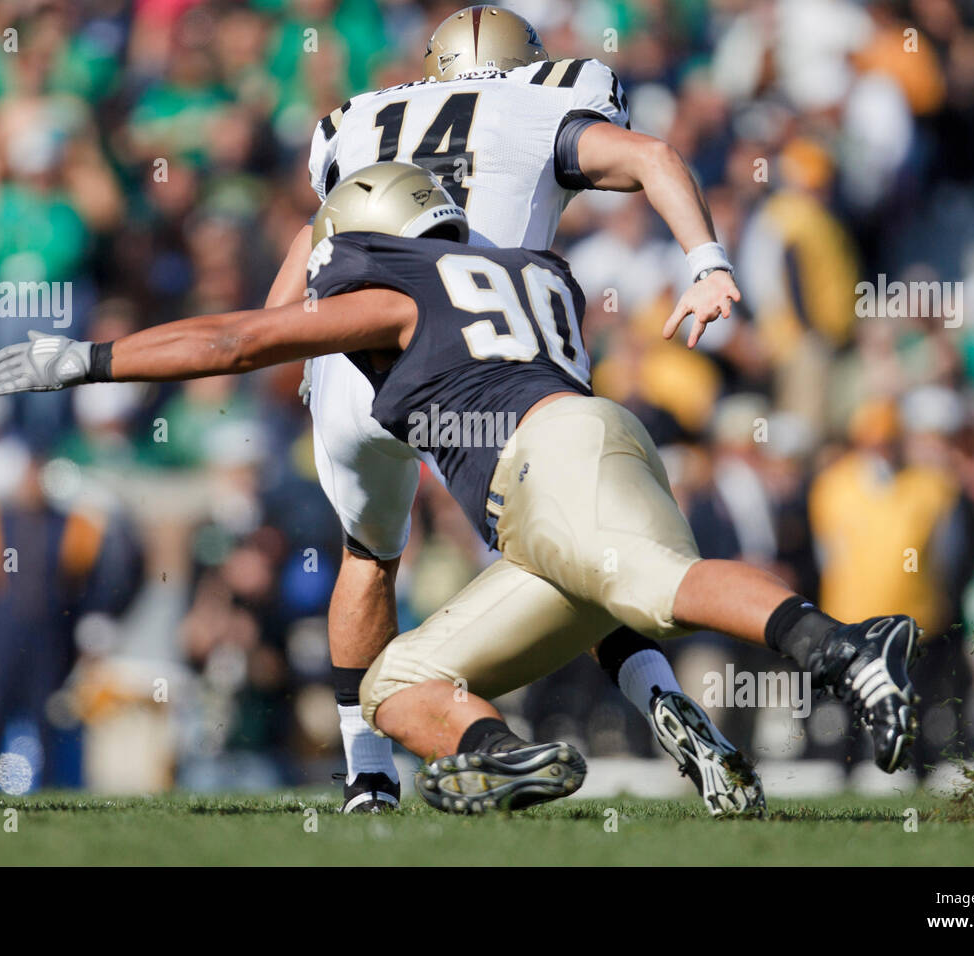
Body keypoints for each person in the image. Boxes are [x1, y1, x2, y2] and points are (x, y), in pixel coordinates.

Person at [0, 161, 921, 814]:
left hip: (546, 462)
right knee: (397, 683)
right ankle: (498, 756)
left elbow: (240, 340)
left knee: (654, 583)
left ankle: (845, 646)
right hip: (567, 469)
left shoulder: (397, 289)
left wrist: (88, 359)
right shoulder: (530, 270)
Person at [266, 3, 747, 813]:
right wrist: (706, 263)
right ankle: (667, 702)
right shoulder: (543, 99)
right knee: (570, 546)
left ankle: (368, 778)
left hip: (351, 355)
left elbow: (307, 247)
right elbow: (654, 155)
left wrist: (288, 358)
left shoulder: (360, 119)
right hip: (478, 359)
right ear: (528, 60)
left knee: (366, 555)